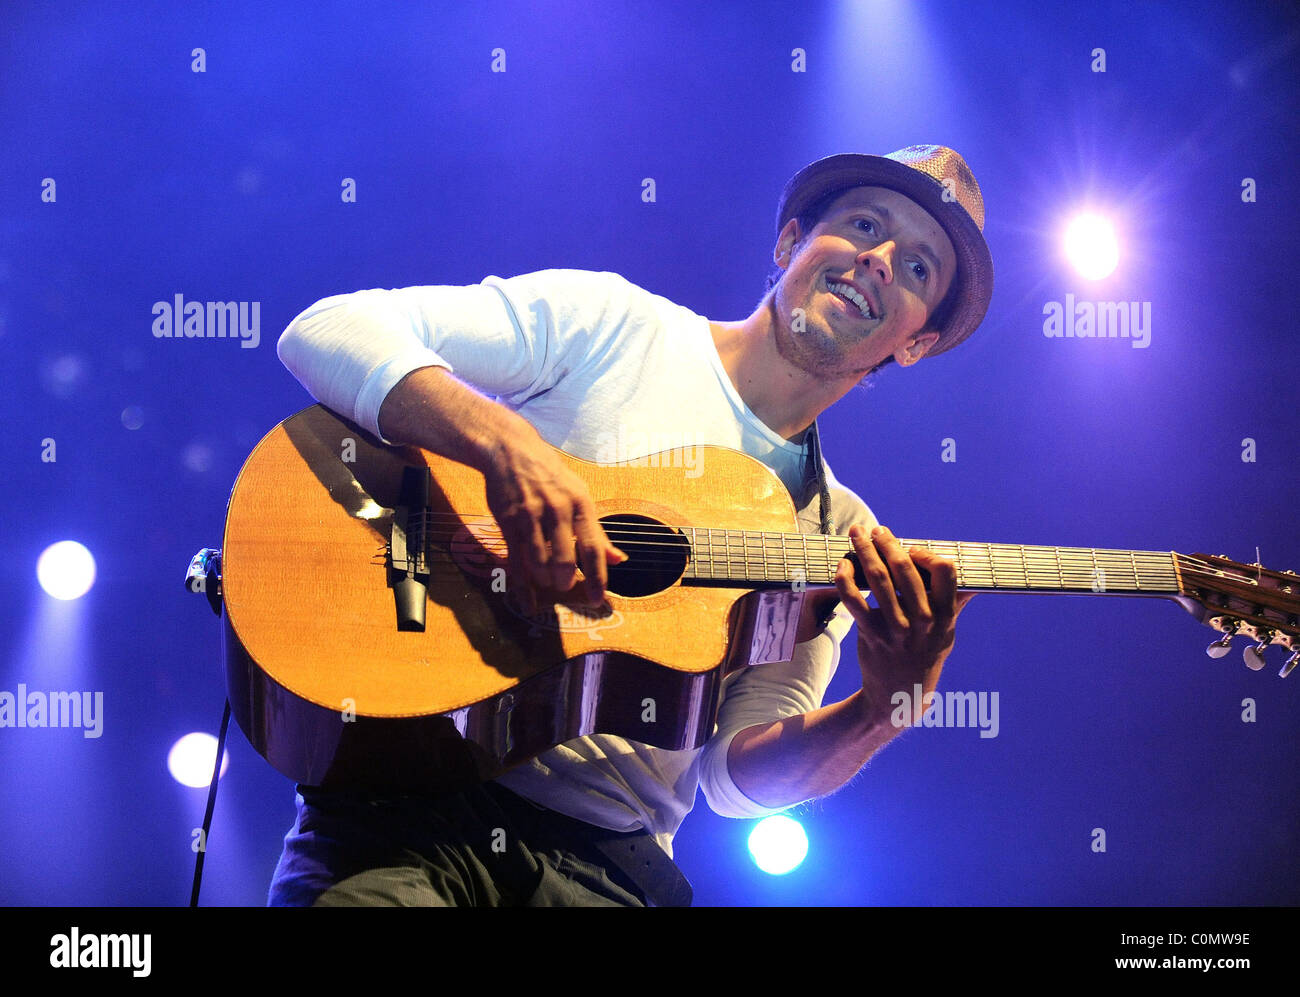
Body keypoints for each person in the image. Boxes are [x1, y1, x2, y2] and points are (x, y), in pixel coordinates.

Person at [267, 144, 994, 906]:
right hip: (403, 801)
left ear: (918, 342)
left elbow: (732, 780)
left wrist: (881, 709)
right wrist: (501, 442)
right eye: (863, 224)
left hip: (599, 872)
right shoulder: (614, 325)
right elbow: (329, 327)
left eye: (918, 268)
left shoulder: (836, 535)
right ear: (789, 244)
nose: (880, 259)